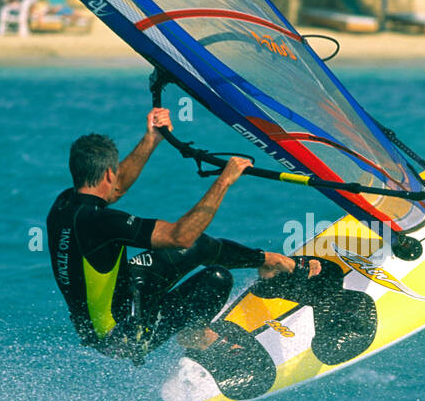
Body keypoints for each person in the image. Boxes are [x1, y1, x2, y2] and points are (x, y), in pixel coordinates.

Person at [46, 108, 307, 365]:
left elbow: (117, 186)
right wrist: (224, 181)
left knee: (200, 245)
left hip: (114, 306)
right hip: (123, 336)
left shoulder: (64, 205)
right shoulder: (102, 222)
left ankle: (266, 261)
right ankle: (197, 337)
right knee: (215, 278)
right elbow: (179, 236)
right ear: (107, 173)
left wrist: (152, 138)